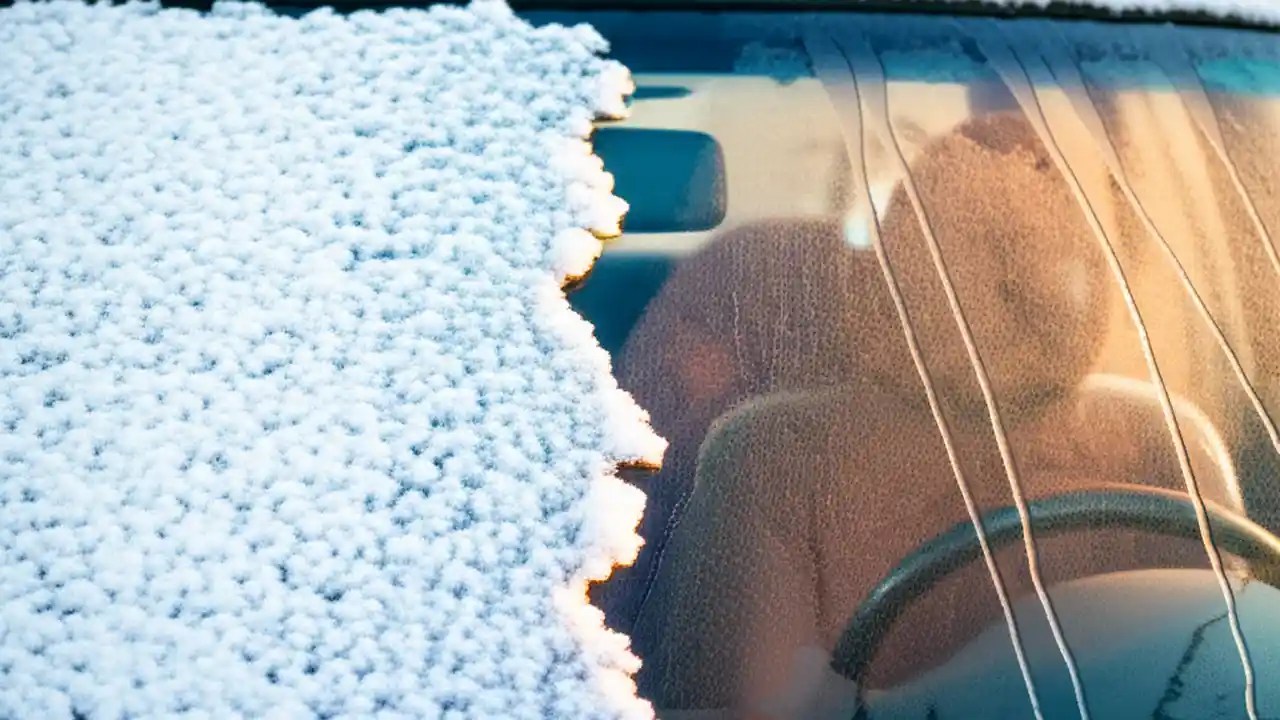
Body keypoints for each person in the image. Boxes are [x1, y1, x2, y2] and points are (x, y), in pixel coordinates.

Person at [604, 112, 1237, 716]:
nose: (1019, 292)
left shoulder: (1169, 444)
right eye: (983, 262)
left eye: (1031, 262)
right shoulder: (774, 459)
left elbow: (1232, 687)